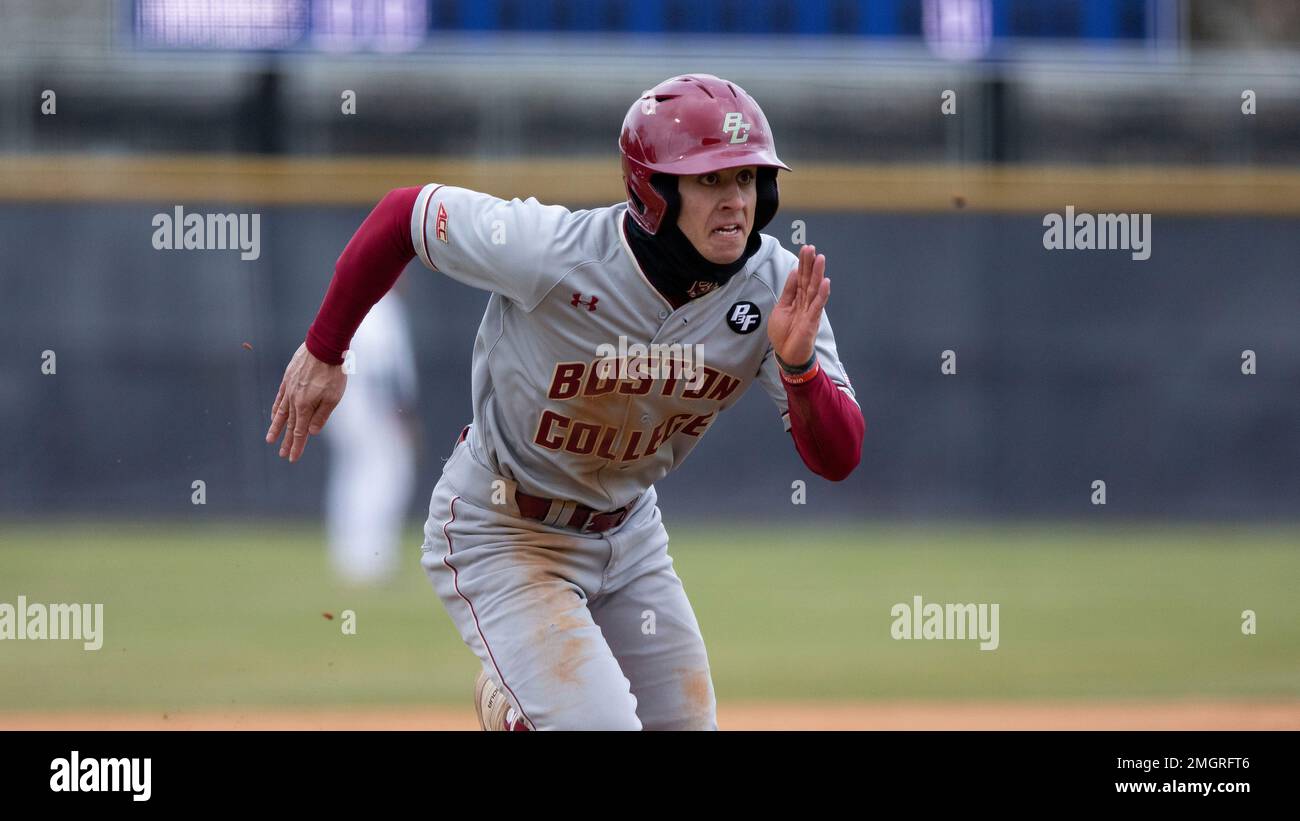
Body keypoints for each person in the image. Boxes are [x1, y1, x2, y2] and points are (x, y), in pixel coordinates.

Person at [266, 74, 865, 730]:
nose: (735, 201)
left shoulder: (777, 288)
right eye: (709, 180)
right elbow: (404, 215)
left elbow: (837, 458)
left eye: (747, 179)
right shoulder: (553, 252)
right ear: (654, 192)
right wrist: (325, 350)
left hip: (629, 531)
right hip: (504, 528)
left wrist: (799, 366)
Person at [322, 289, 418, 586]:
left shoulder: (357, 301)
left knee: (354, 477)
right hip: (372, 409)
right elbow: (382, 371)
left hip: (347, 405)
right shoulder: (381, 307)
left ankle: (352, 555)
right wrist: (401, 416)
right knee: (384, 476)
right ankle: (369, 558)